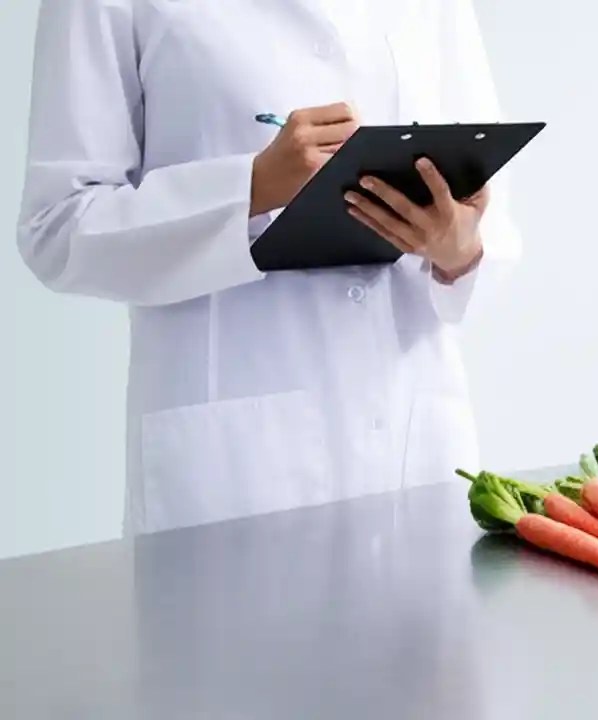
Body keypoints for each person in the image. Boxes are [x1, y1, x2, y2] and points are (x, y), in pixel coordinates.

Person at [16, 1, 521, 535]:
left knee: (430, 610)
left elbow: (489, 224)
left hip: (415, 443)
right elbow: (58, 226)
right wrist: (250, 187)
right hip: (237, 472)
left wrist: (457, 250)